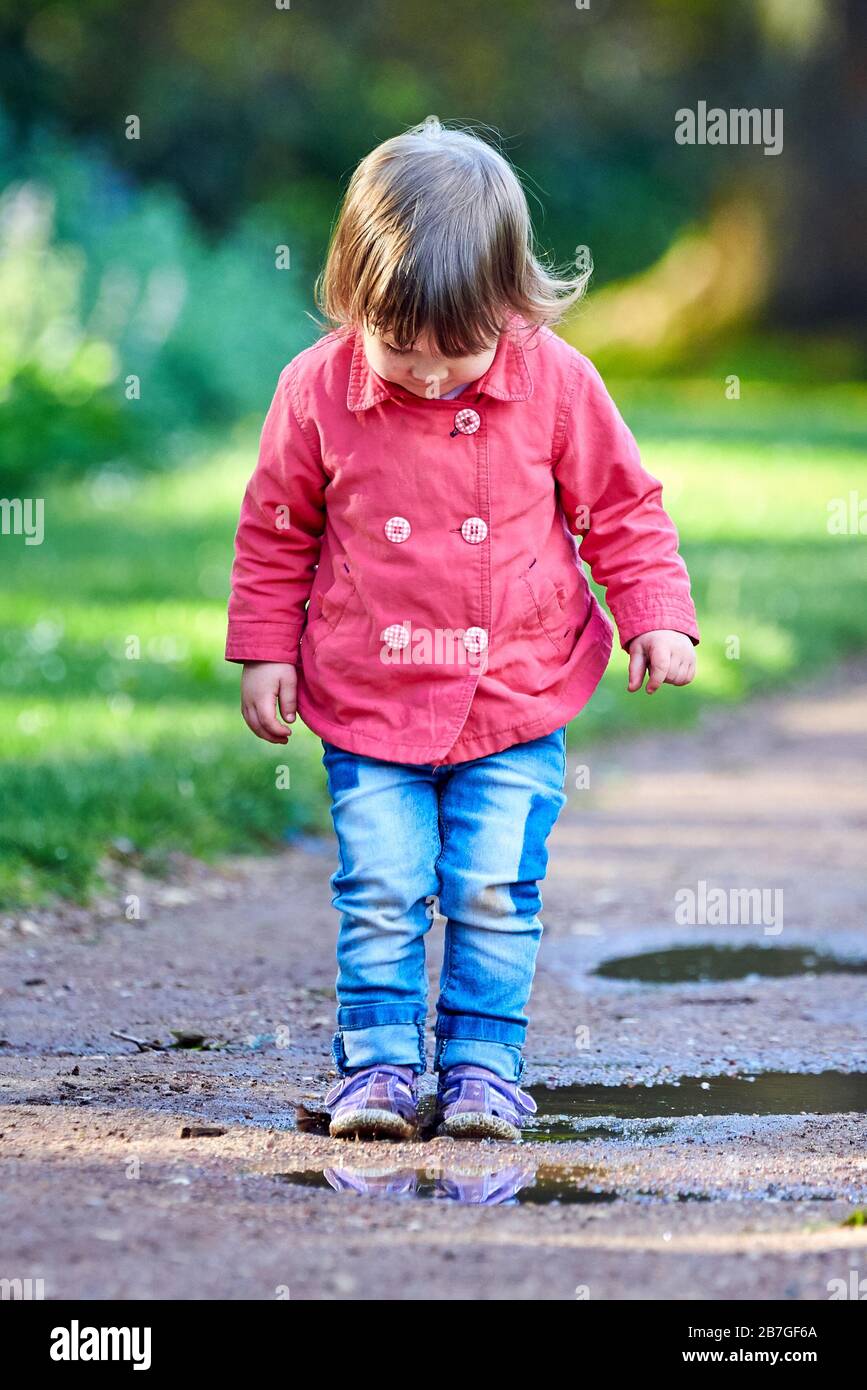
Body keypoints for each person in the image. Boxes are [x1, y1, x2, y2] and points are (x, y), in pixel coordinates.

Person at [226, 118, 698, 1141]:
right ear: (355, 300)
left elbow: (621, 508)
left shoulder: (557, 382)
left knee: (492, 884)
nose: (433, 376)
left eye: (462, 350)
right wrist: (266, 648)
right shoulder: (314, 393)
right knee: (383, 888)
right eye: (402, 350)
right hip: (369, 696)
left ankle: (486, 1066)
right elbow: (276, 528)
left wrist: (654, 615)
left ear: (510, 306)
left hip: (516, 695)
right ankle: (381, 1068)